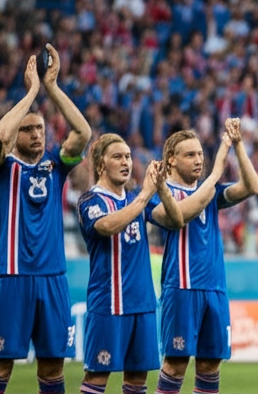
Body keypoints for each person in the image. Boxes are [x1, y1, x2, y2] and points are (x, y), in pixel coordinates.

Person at [0, 45, 92, 394]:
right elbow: (0, 138)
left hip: (53, 277)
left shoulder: (56, 165)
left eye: (40, 129)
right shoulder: (0, 168)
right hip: (12, 275)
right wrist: (30, 93)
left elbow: (83, 134)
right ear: (18, 133)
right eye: (28, 129)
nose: (37, 134)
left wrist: (52, 87)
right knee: (0, 366)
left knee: (53, 367)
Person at [151, 119, 258, 394]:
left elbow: (252, 186)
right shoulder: (158, 193)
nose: (199, 160)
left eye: (200, 154)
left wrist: (237, 145)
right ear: (171, 159)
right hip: (181, 288)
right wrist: (213, 177)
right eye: (190, 155)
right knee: (175, 364)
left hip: (215, 288)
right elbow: (178, 216)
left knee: (210, 365)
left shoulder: (211, 192)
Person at [77, 135, 184, 394]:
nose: (126, 162)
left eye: (127, 156)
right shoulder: (90, 201)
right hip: (109, 303)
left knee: (137, 381)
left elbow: (176, 220)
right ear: (100, 165)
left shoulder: (137, 199)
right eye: (117, 157)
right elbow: (106, 226)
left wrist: (161, 188)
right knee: (96, 378)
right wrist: (145, 195)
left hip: (143, 304)